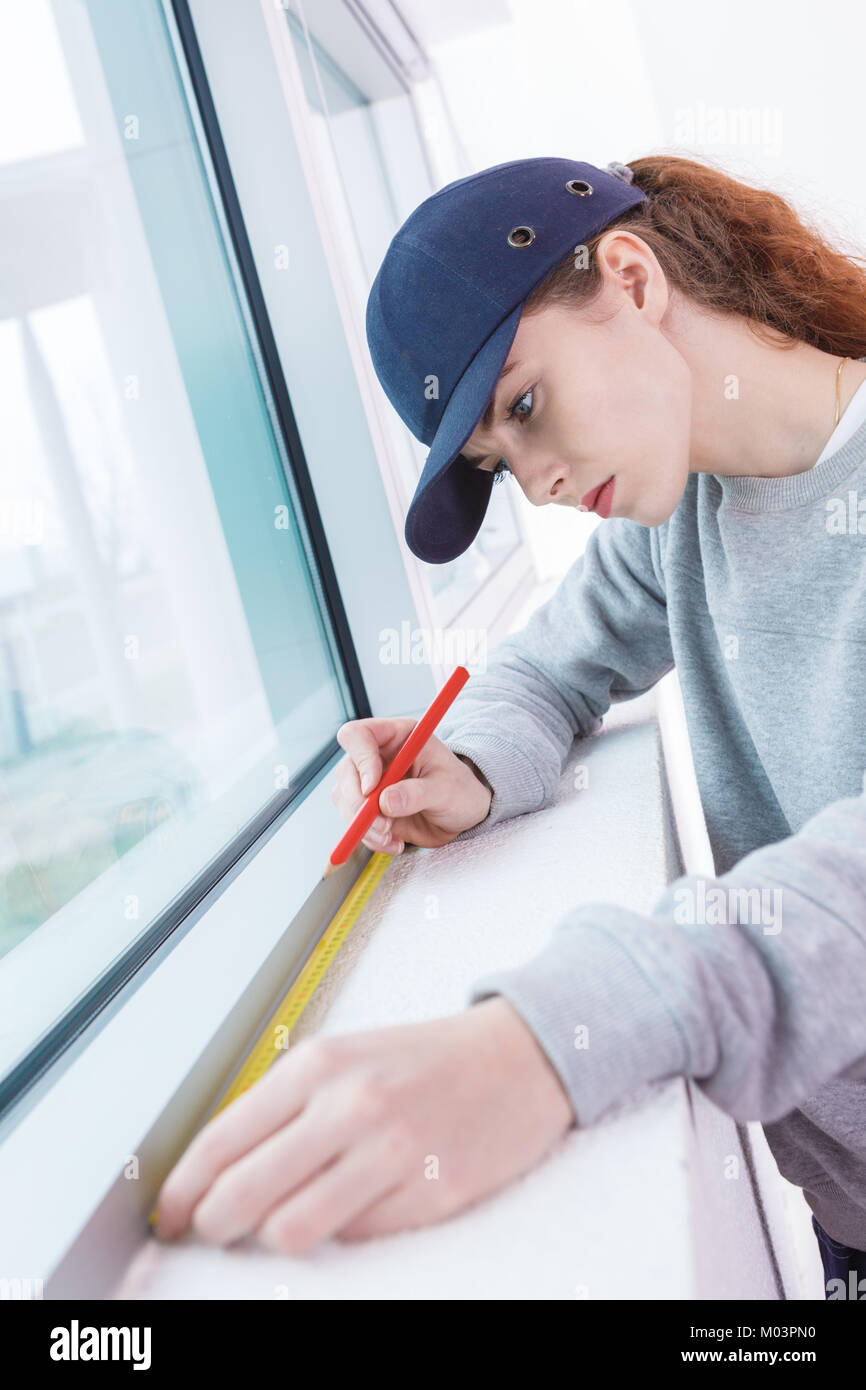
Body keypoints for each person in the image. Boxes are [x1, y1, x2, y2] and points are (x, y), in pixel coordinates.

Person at [155, 155, 866, 1299]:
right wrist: (466, 763)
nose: (532, 482)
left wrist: (543, 1041)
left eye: (523, 407)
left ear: (630, 280)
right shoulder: (678, 518)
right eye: (495, 461)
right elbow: (541, 671)